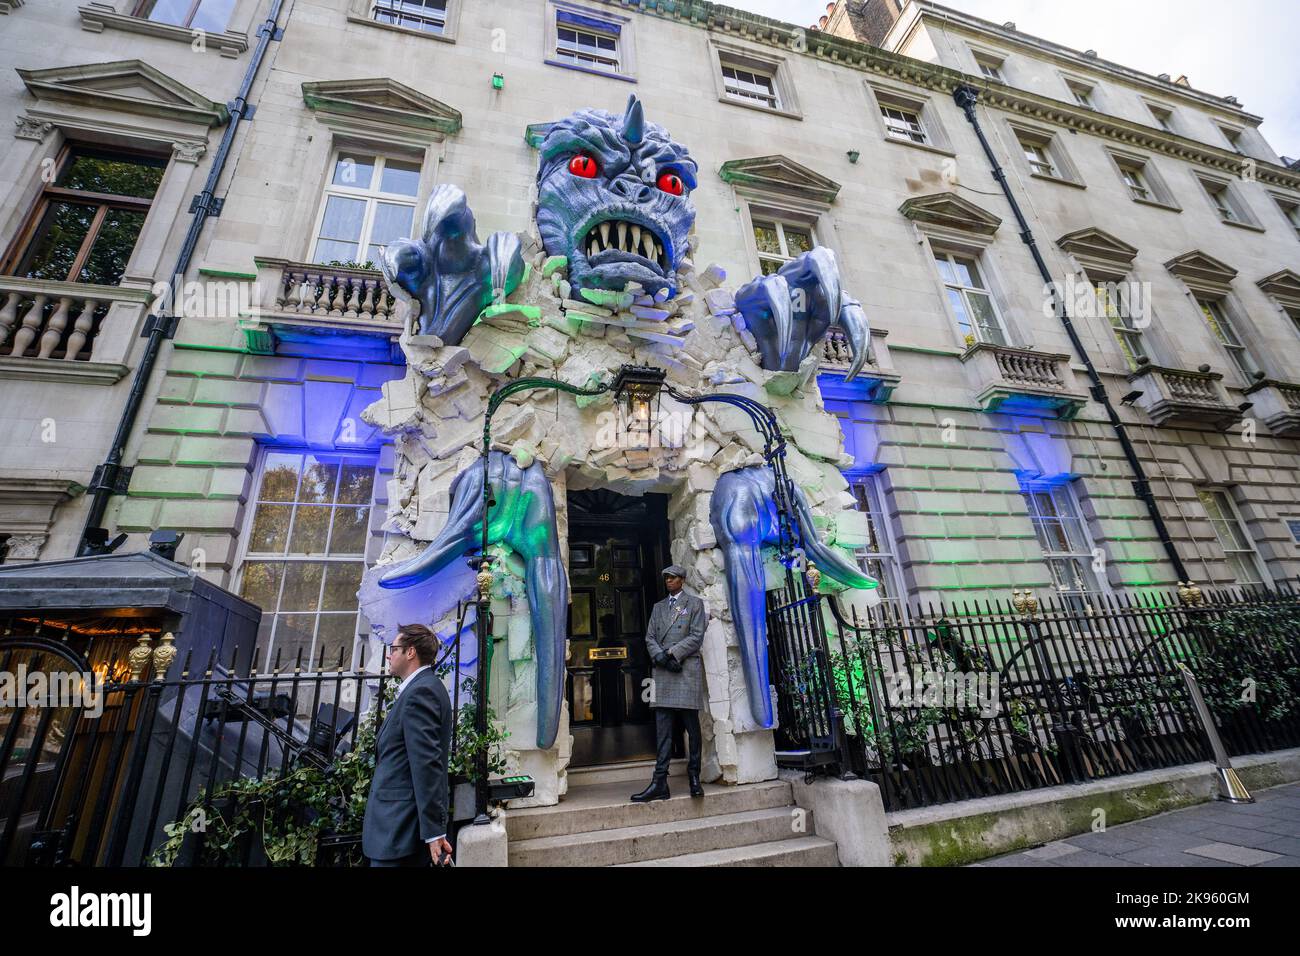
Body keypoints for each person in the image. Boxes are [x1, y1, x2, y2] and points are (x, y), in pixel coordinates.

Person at [363, 623, 454, 867]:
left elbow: (427, 763)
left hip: (399, 831)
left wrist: (434, 831)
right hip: (396, 831)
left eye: (393, 648)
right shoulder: (418, 689)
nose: (388, 654)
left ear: (410, 652)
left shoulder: (421, 692)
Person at [631, 565, 706, 802]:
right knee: (663, 730)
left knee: (692, 729)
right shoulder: (658, 607)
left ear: (682, 580)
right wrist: (661, 658)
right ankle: (659, 782)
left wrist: (673, 654)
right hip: (663, 672)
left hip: (685, 670)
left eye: (673, 577)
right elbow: (649, 637)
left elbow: (696, 636)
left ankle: (694, 776)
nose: (669, 581)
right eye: (666, 578)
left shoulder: (695, 604)